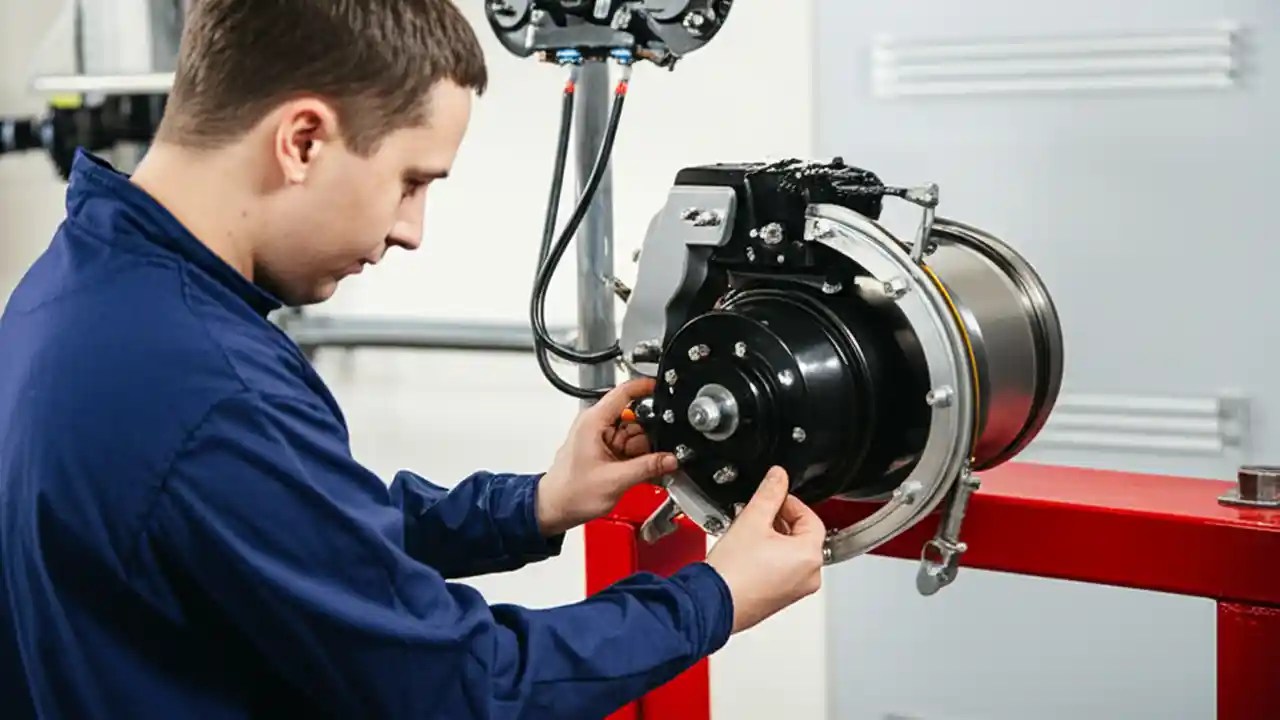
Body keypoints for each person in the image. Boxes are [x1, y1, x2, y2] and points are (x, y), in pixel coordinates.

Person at [0, 1, 827, 718]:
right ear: (302, 140)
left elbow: (303, 533)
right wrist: (715, 598)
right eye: (409, 181)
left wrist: (537, 504)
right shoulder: (209, 382)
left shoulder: (73, 290)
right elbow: (465, 689)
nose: (411, 229)